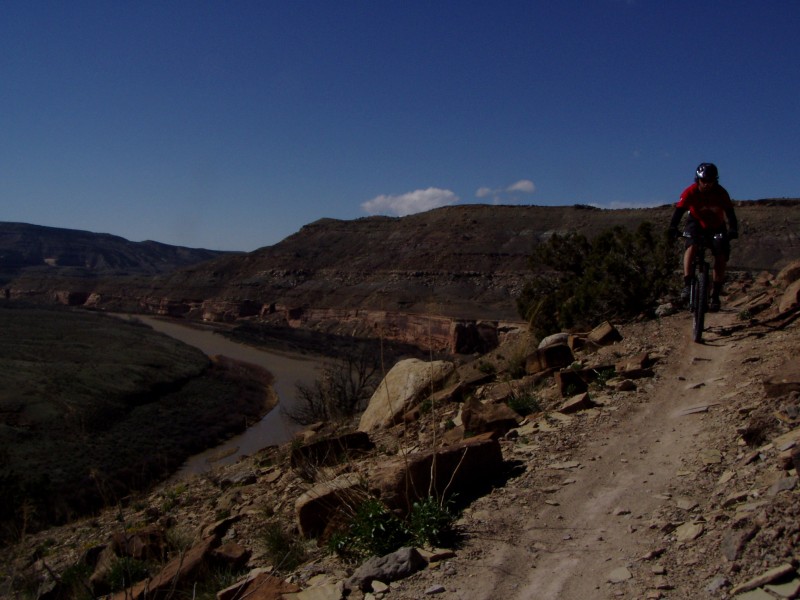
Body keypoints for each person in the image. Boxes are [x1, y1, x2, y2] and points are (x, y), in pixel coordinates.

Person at [668, 162, 739, 312]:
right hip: (696, 223)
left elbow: (730, 214)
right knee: (691, 245)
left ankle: (715, 295)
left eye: (710, 181)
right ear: (698, 180)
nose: (707, 184)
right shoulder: (690, 192)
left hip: (716, 226)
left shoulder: (721, 193)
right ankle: (688, 285)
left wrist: (733, 229)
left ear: (715, 181)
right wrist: (673, 227)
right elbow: (679, 211)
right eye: (704, 181)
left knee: (720, 255)